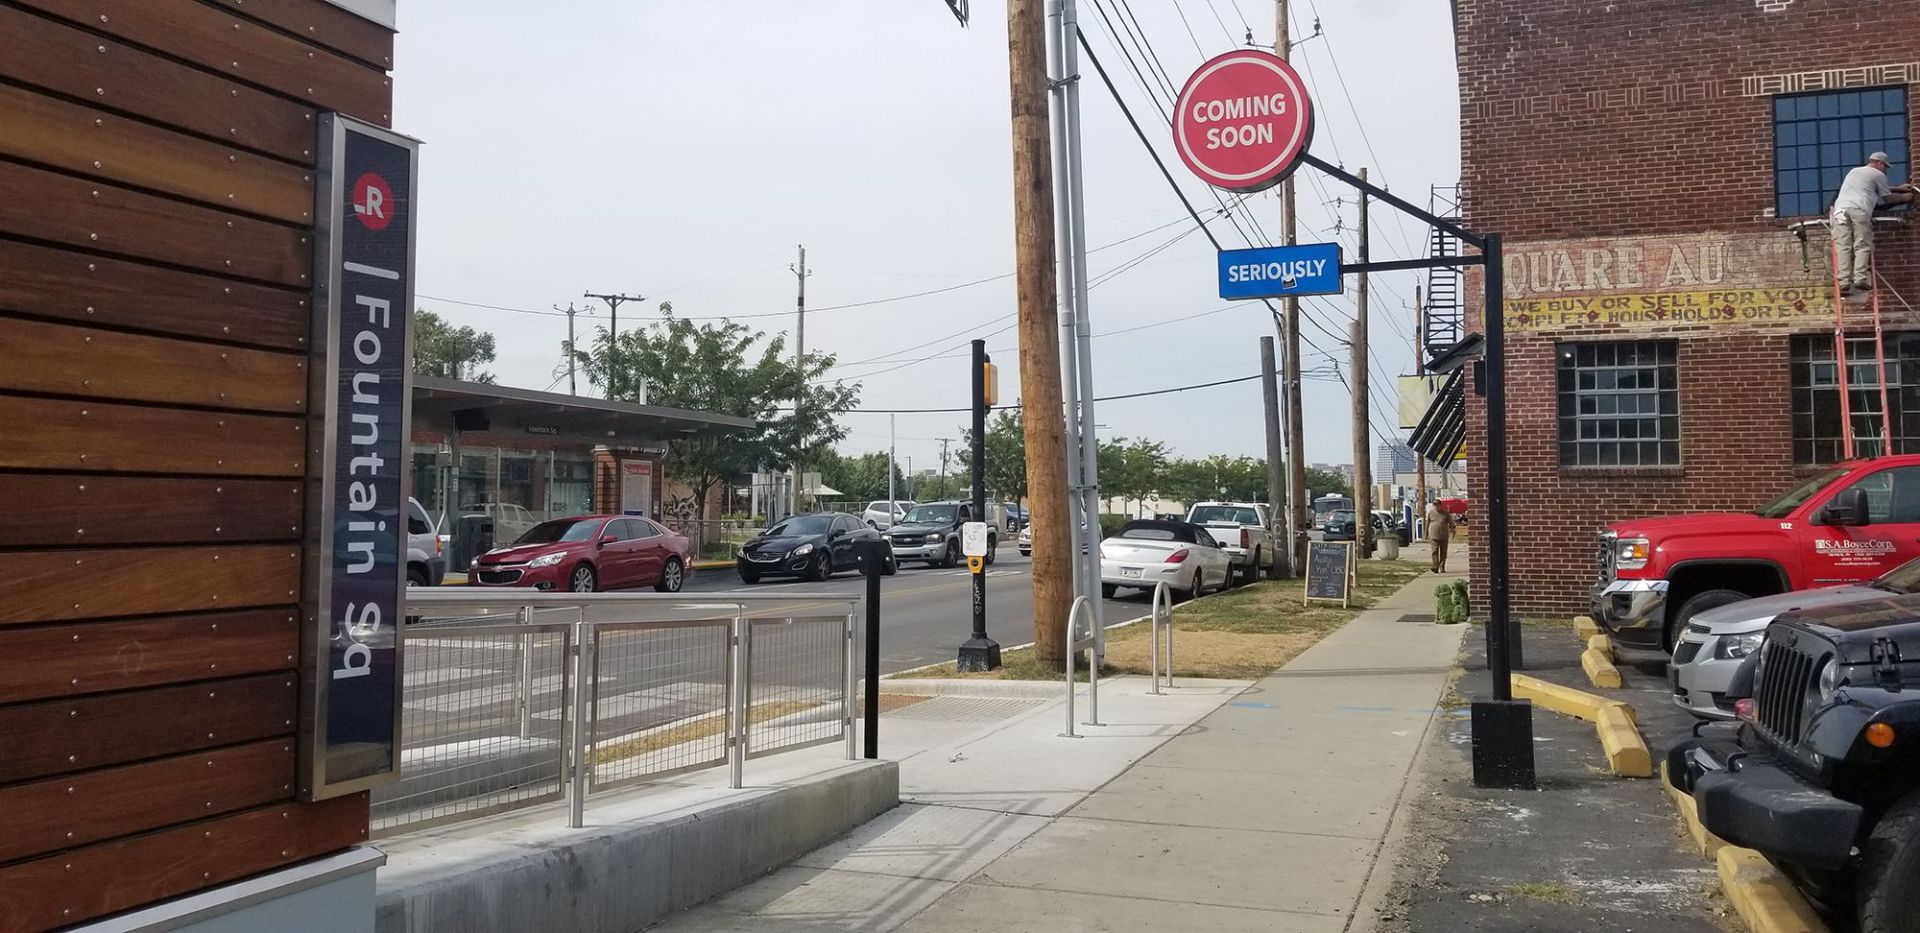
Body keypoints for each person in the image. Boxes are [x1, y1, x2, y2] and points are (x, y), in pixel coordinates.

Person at [1832, 152, 1916, 302]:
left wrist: (1898, 188)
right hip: (1858, 210)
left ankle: (1844, 281)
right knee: (1862, 244)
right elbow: (1887, 198)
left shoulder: (1855, 171)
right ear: (1879, 163)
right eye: (1885, 167)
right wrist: (1904, 198)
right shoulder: (1878, 175)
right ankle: (1860, 279)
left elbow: (1873, 186)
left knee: (1843, 246)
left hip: (1839, 211)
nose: (1885, 170)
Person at [1425, 501, 1453, 573]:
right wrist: (1426, 533)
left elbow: (1450, 523)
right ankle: (1435, 567)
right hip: (1433, 536)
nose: (1436, 507)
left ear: (1440, 505)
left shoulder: (1445, 513)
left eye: (1437, 505)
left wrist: (1452, 531)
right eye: (1435, 505)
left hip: (1444, 536)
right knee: (1434, 551)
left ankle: (1442, 567)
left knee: (1443, 552)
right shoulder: (1430, 513)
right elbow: (1427, 524)